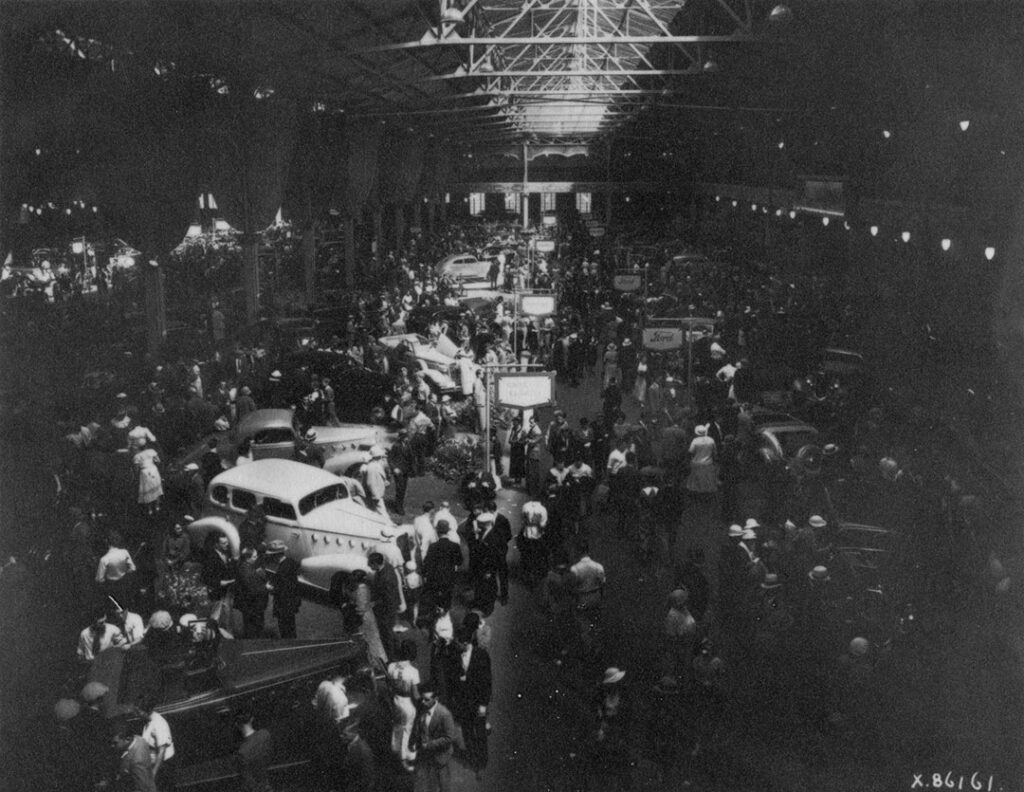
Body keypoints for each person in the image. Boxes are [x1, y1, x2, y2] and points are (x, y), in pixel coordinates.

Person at [446, 624, 492, 774]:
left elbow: (487, 682)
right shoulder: (455, 655)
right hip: (463, 702)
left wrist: (483, 705)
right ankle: (472, 758)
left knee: (479, 732)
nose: (455, 644)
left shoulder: (481, 656)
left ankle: (482, 760)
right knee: (467, 732)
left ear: (465, 643)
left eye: (458, 642)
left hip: (477, 703)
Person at [410, 683, 458, 792]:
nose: (423, 702)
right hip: (425, 755)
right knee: (425, 783)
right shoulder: (422, 707)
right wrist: (412, 741)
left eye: (426, 700)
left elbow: (448, 738)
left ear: (435, 698)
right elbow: (417, 724)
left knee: (443, 785)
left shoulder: (444, 714)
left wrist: (429, 744)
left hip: (440, 757)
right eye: (422, 699)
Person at [386, 639, 421, 771]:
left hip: (395, 700)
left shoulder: (391, 666)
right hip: (407, 704)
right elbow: (415, 694)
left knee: (396, 726)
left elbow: (389, 685)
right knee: (406, 731)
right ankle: (403, 759)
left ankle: (394, 750)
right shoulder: (413, 671)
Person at [369, 552, 403, 660]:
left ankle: (391, 657)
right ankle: (397, 652)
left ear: (376, 563)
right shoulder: (387, 567)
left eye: (371, 564)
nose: (369, 566)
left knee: (387, 634)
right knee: (392, 632)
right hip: (390, 607)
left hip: (387, 610)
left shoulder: (385, 578)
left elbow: (388, 598)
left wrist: (374, 603)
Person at [110, 717, 158, 792]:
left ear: (128, 739)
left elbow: (142, 788)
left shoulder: (137, 761)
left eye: (115, 743)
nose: (112, 746)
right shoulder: (139, 739)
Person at [139, 696, 175, 792]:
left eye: (139, 711)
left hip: (163, 766)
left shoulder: (159, 723)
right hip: (153, 763)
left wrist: (154, 773)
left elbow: (161, 752)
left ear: (145, 710)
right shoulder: (147, 722)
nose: (137, 714)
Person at [201, 534, 236, 633]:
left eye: (227, 542)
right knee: (214, 618)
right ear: (216, 545)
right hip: (216, 593)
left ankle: (229, 637)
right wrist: (221, 583)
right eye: (224, 543)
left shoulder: (227, 554)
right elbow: (205, 578)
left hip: (227, 592)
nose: (227, 545)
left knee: (228, 616)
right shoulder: (210, 557)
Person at [233, 708, 273, 792]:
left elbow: (248, 781)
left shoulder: (242, 752)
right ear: (251, 719)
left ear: (237, 725)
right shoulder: (265, 734)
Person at [96, 531, 136, 611]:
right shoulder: (124, 552)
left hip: (112, 588)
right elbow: (133, 568)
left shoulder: (104, 559)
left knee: (115, 609)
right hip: (125, 584)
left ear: (106, 542)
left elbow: (99, 579)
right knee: (126, 606)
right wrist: (124, 573)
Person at [267, 543, 300, 639]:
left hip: (284, 605)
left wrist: (271, 588)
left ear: (276, 555)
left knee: (285, 630)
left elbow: (283, 589)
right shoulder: (290, 562)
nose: (271, 558)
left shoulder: (283, 569)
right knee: (291, 627)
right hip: (292, 602)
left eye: (272, 555)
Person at [236, 545, 269, 638]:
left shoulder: (246, 566)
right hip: (252, 606)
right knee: (254, 628)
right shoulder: (247, 571)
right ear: (247, 558)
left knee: (250, 626)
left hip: (249, 606)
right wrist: (266, 587)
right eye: (254, 556)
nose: (256, 558)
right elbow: (251, 590)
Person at [685, 424, 718, 496]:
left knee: (697, 480)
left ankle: (698, 494)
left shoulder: (695, 440)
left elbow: (690, 452)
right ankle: (707, 494)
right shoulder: (711, 440)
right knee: (708, 480)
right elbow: (714, 452)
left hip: (697, 463)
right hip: (708, 463)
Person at [388, 430, 415, 515]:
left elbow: (411, 457)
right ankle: (398, 507)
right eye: (405, 437)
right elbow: (390, 459)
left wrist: (412, 469)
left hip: (405, 471)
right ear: (401, 437)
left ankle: (400, 504)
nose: (407, 438)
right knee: (400, 488)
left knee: (403, 489)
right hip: (398, 471)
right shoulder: (396, 446)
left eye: (407, 437)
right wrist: (394, 468)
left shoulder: (408, 445)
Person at [362, 445, 391, 519]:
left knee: (375, 513)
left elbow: (378, 477)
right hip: (375, 496)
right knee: (383, 515)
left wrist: (384, 482)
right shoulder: (371, 467)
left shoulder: (376, 465)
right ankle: (390, 526)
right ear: (379, 457)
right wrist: (376, 496)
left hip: (377, 494)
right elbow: (370, 483)